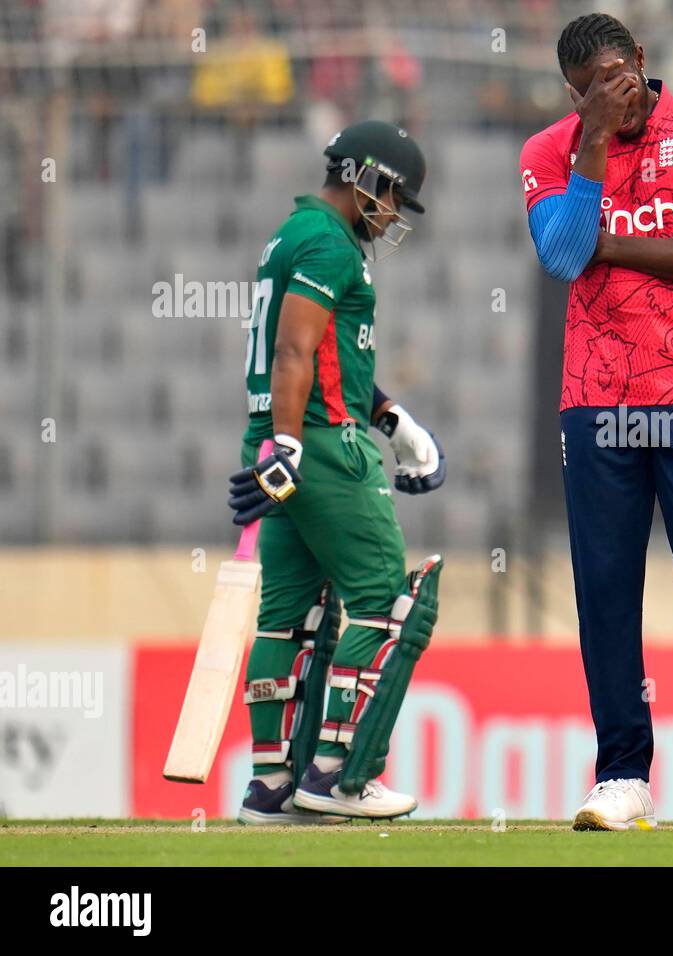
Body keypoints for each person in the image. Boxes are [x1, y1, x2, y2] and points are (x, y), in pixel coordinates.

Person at [518, 12, 673, 831]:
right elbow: (560, 255)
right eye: (592, 90)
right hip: (595, 400)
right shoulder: (549, 150)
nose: (613, 98)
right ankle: (622, 774)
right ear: (574, 91)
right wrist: (592, 142)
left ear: (642, 60)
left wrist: (609, 245)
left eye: (619, 79)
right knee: (605, 591)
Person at [227, 120, 447, 824]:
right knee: (387, 603)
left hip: (279, 439)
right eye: (393, 198)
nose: (391, 216)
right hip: (319, 446)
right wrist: (296, 445)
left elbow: (326, 359)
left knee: (285, 621)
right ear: (368, 178)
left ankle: (270, 784)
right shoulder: (328, 243)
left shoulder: (291, 234)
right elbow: (295, 351)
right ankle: (335, 774)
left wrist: (396, 422)